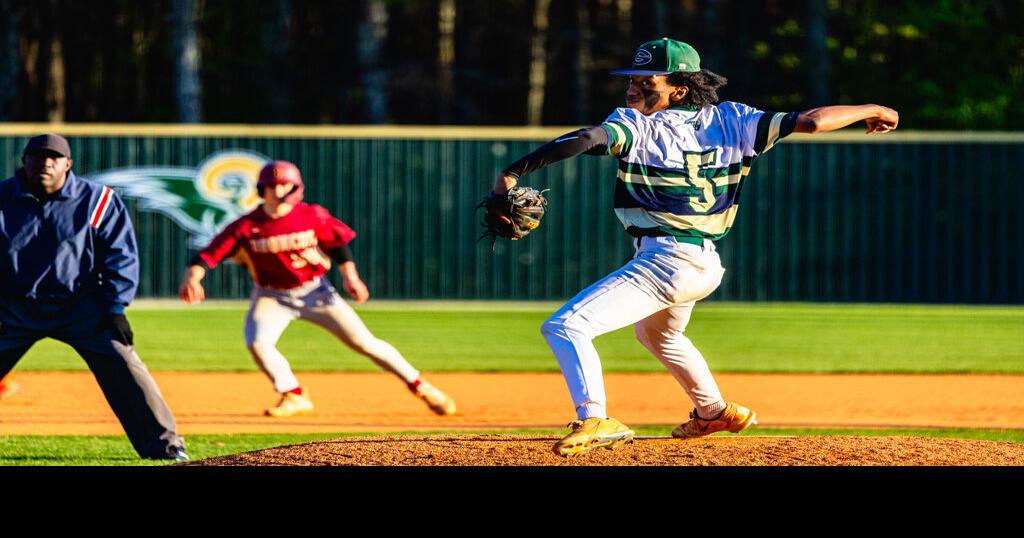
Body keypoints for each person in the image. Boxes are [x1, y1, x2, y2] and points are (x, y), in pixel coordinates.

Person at [492, 38, 899, 457]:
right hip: (702, 263)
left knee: (566, 327)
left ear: (680, 90)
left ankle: (595, 415)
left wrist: (512, 171)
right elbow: (812, 121)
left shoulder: (637, 124)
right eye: (631, 80)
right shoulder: (736, 119)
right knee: (658, 334)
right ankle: (714, 411)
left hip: (666, 261)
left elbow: (585, 138)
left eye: (645, 81)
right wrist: (872, 109)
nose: (632, 89)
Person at [178, 160, 457, 418]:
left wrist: (351, 277)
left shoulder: (310, 215)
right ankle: (293, 394)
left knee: (364, 342)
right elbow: (208, 255)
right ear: (262, 189)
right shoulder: (247, 225)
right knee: (257, 341)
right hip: (271, 295)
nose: (277, 189)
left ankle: (421, 386)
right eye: (272, 185)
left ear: (294, 187)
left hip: (316, 291)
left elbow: (337, 245)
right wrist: (194, 277)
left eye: (283, 184)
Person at [0, 134, 188, 460]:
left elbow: (120, 255)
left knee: (125, 365)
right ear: (24, 161)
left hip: (81, 306)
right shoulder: (2, 198)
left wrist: (115, 307)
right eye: (38, 156)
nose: (46, 163)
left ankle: (166, 447)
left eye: (54, 157)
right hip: (13, 307)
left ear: (68, 164)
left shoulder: (97, 199)